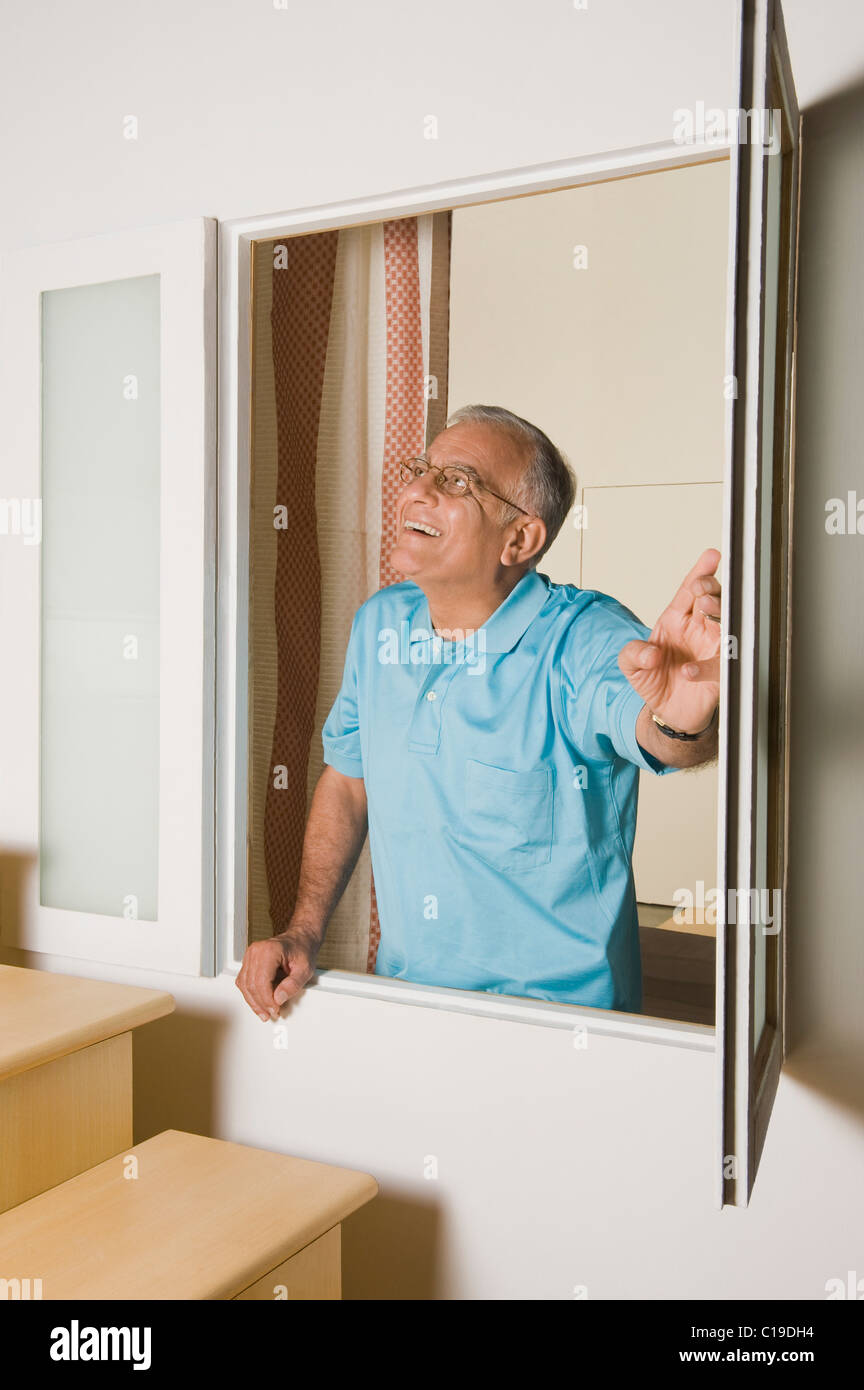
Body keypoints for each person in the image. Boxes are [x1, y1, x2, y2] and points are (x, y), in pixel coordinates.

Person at [236, 404, 721, 1021]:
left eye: (457, 482)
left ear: (519, 538)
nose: (414, 491)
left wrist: (682, 718)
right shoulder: (380, 624)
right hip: (410, 998)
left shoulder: (584, 637)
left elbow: (658, 731)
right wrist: (303, 930)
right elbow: (350, 780)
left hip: (565, 1020)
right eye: (421, 470)